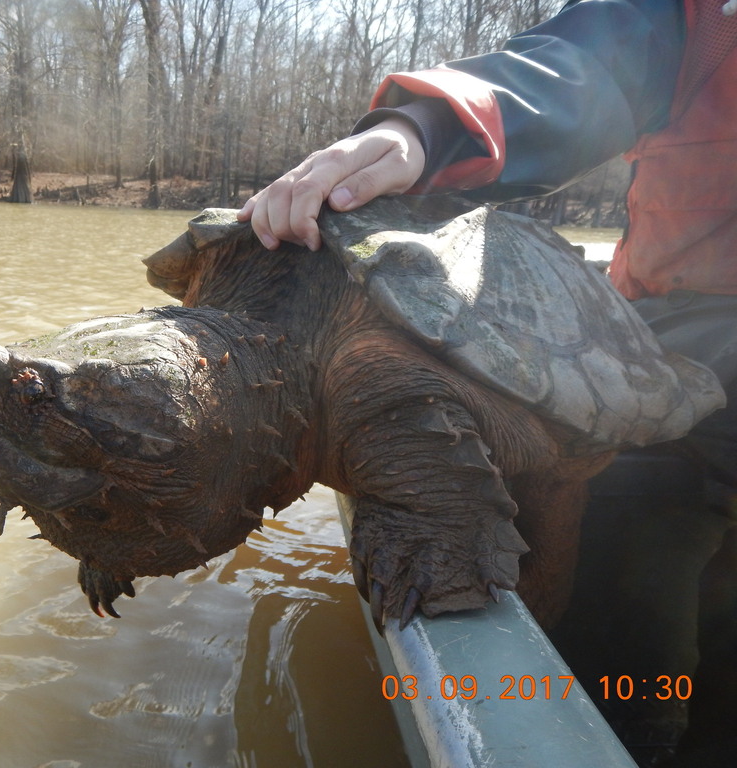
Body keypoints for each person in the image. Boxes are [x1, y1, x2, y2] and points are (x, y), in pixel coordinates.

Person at [238, 0, 737, 764]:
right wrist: (424, 128)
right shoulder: (696, 18)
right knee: (640, 520)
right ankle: (636, 719)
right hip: (683, 321)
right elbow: (585, 65)